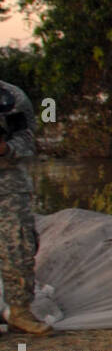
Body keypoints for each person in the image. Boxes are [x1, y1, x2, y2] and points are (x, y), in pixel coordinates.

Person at [0, 79, 50, 336]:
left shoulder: (11, 97)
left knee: (18, 248)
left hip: (7, 186)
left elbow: (27, 140)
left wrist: (6, 148)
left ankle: (20, 312)